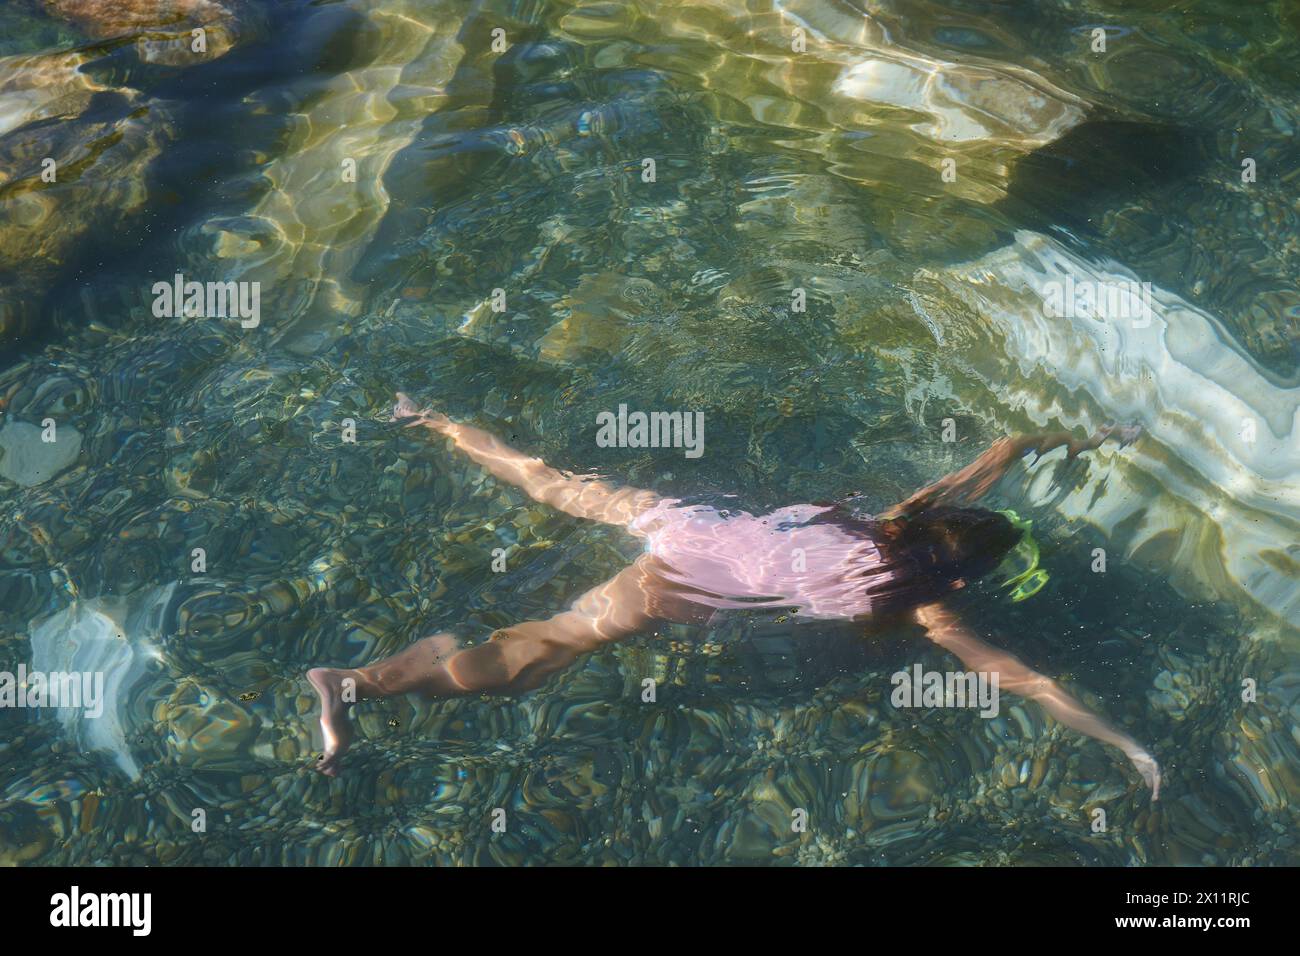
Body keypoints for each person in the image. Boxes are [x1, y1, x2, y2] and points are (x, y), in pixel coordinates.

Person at [308, 393, 1159, 799]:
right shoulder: (930, 607)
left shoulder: (896, 523)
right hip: (677, 583)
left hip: (692, 526)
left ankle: (434, 420)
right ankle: (363, 684)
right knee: (548, 652)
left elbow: (1002, 445)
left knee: (554, 485)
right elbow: (1022, 679)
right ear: (965, 579)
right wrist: (1126, 743)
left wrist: (1082, 437)